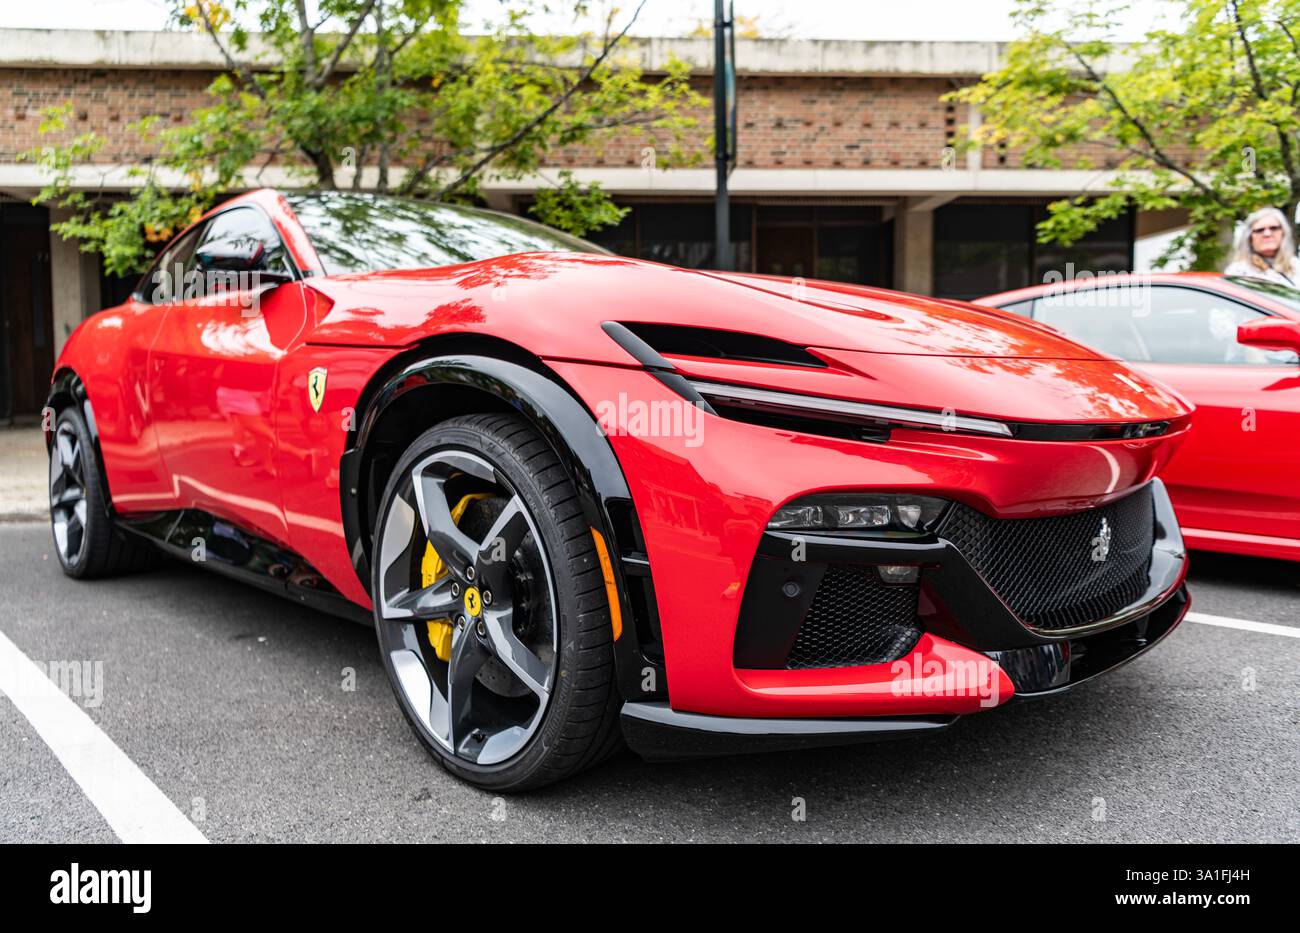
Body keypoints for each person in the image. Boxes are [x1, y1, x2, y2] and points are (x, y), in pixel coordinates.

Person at [1224, 206, 1298, 285]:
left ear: (1283, 233)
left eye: (1273, 228)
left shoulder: (1296, 266)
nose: (1267, 234)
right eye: (1259, 230)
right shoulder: (1238, 271)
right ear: (1250, 237)